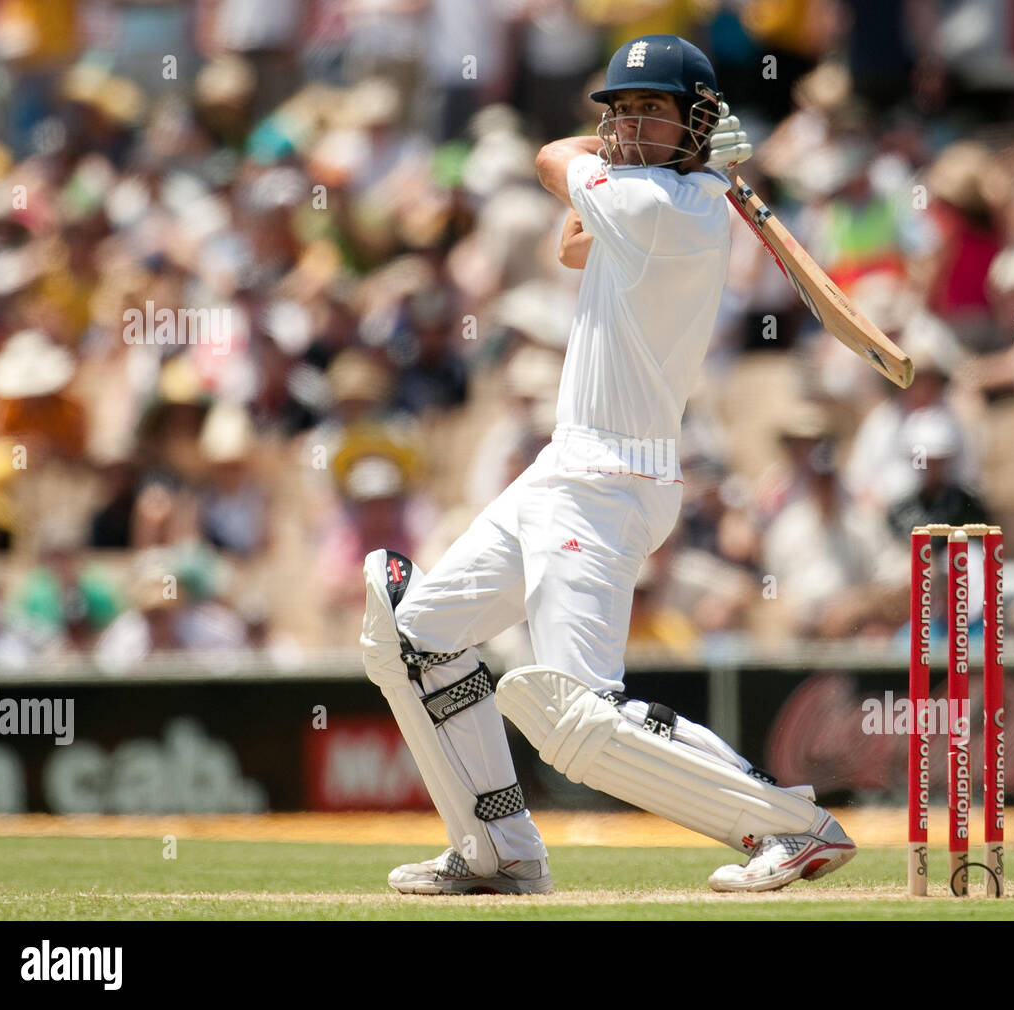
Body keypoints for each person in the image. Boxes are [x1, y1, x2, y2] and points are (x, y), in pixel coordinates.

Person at [359, 35, 855, 896]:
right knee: (414, 638)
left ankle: (792, 825)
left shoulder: (671, 208)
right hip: (571, 467)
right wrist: (671, 157)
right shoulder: (672, 199)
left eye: (647, 112)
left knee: (575, 713)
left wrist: (654, 163)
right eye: (617, 112)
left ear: (697, 123)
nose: (623, 129)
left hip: (609, 481)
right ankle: (498, 851)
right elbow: (570, 245)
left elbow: (553, 157)